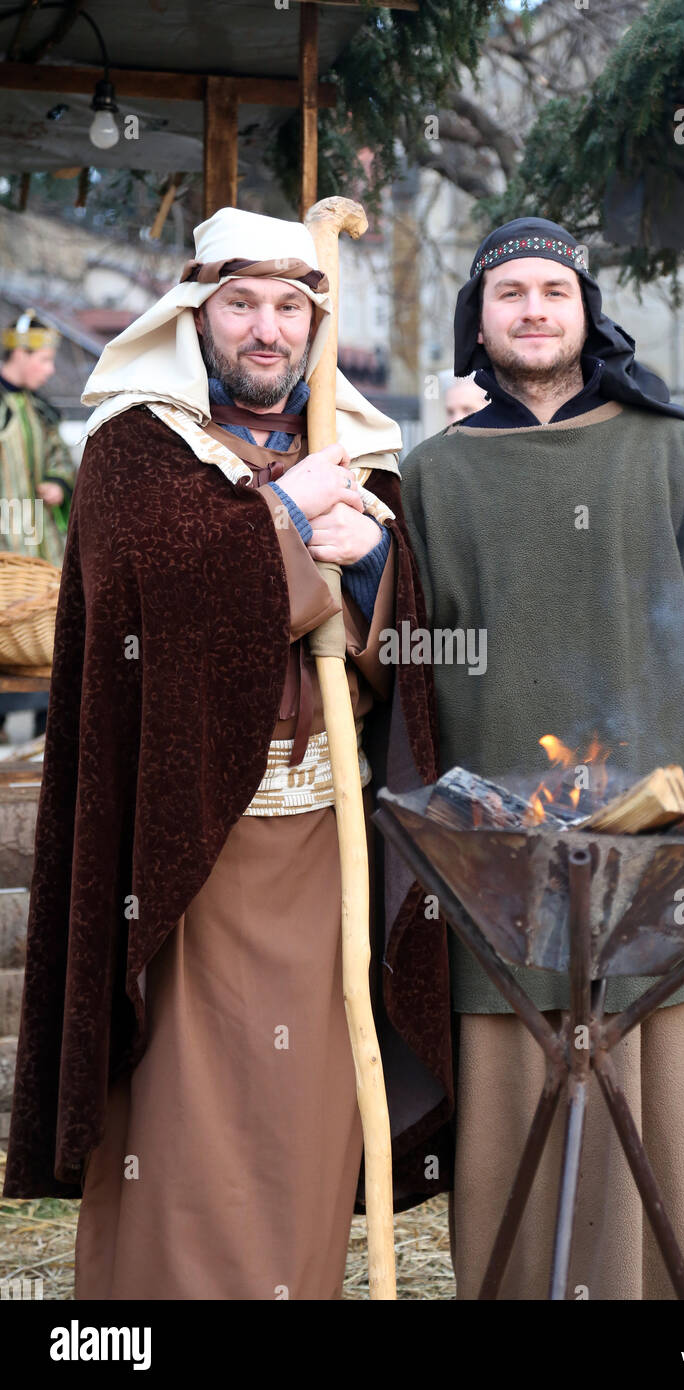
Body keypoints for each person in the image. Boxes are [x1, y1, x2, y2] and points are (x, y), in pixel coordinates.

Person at [2, 209, 451, 1299]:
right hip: (182, 850)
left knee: (303, 1125)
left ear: (312, 323)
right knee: (183, 1128)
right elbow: (147, 606)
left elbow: (422, 658)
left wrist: (371, 565)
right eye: (239, 304)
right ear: (194, 315)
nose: (264, 329)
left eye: (288, 307)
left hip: (322, 847)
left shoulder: (361, 456)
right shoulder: (133, 449)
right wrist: (284, 522)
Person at [399, 217, 684, 1299]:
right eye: (508, 294)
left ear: (585, 311)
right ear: (476, 322)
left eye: (553, 290)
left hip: (660, 847)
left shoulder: (668, 450)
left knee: (664, 1121)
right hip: (495, 863)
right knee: (509, 1117)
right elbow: (397, 677)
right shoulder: (431, 479)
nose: (532, 309)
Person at [0, 311, 77, 739]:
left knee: (46, 624)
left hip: (39, 536)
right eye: (44, 361)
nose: (49, 370)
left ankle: (47, 733)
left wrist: (57, 481)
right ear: (21, 355)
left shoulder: (41, 410)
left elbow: (59, 455)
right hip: (4, 534)